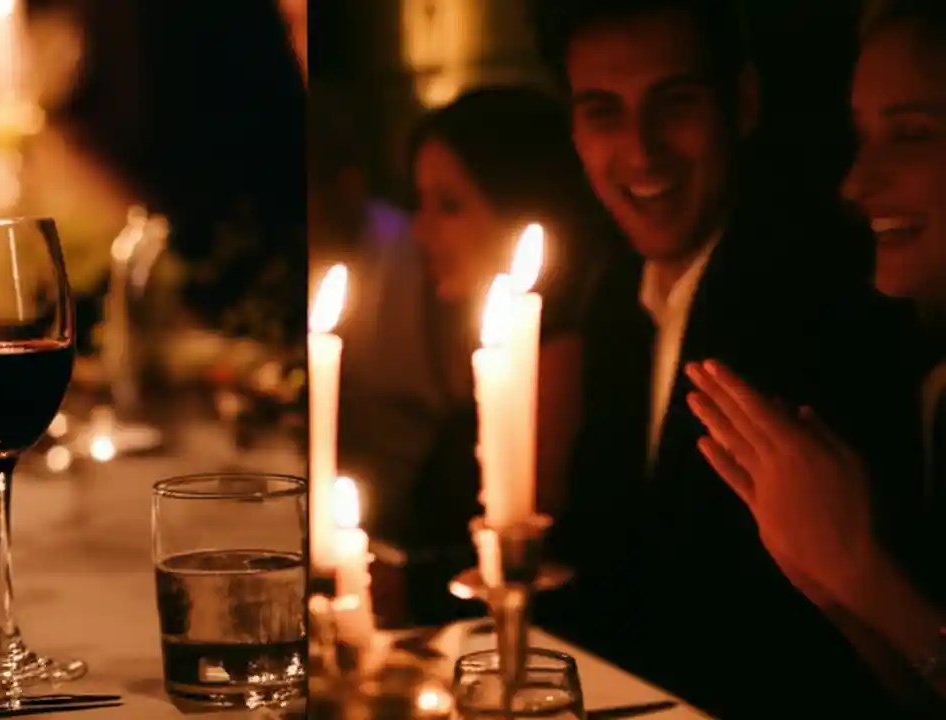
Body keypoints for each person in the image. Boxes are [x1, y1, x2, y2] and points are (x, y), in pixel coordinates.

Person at [531, 0, 923, 716]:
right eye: (604, 113)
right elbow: (614, 564)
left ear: (741, 103)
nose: (642, 152)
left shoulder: (831, 292)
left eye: (674, 104)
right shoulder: (611, 288)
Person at [686, 0, 946, 710]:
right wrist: (821, 575)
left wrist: (860, 571)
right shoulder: (926, 379)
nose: (856, 183)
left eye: (913, 136)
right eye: (861, 137)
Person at [336, 86, 608, 625]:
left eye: (450, 206)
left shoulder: (564, 355)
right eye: (420, 204)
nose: (421, 231)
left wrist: (407, 588)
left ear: (522, 210)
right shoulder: (496, 350)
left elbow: (548, 557)